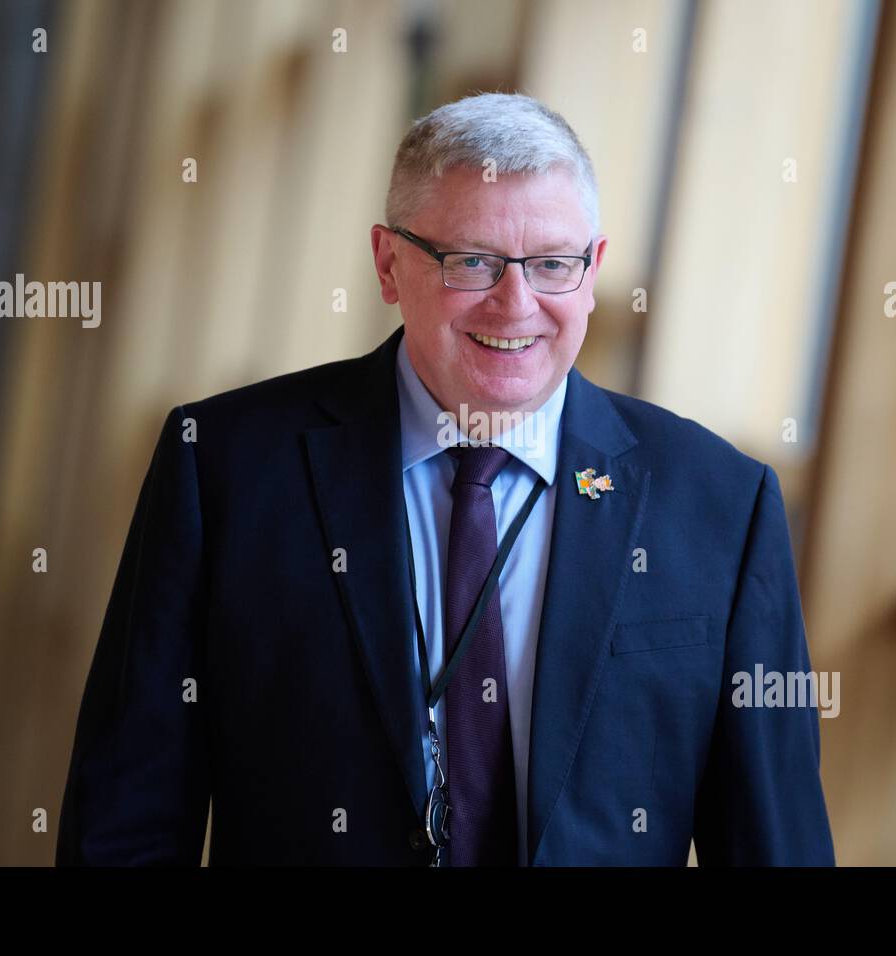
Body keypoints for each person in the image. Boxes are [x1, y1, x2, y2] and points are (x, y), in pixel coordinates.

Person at [55, 92, 835, 867]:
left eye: (553, 265)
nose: (516, 303)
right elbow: (125, 827)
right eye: (472, 262)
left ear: (594, 270)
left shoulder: (721, 505)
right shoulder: (222, 466)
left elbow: (778, 846)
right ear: (389, 263)